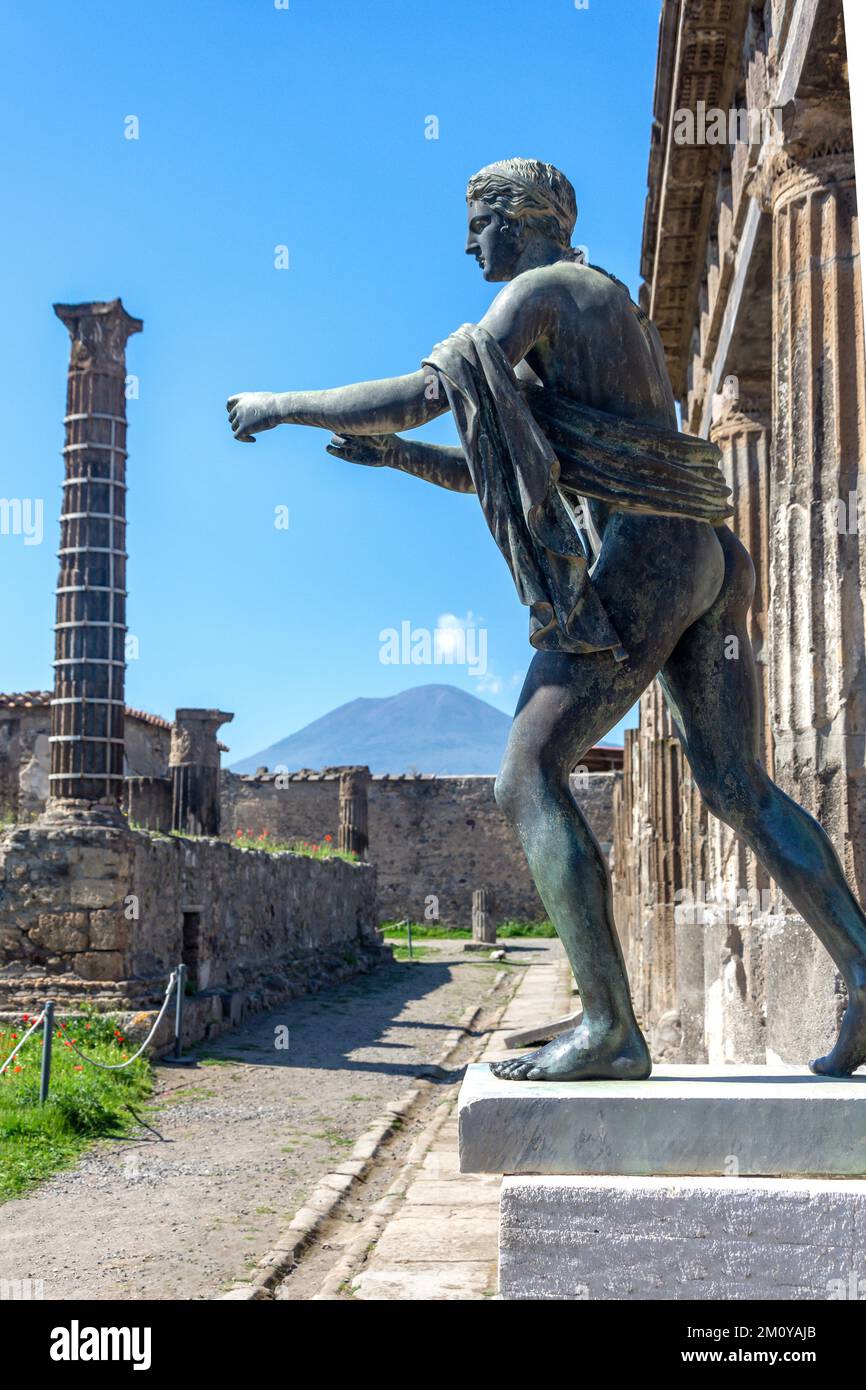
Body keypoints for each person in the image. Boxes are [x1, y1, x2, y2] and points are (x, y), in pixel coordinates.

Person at [228, 158, 866, 1080]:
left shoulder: (542, 290)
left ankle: (609, 1026)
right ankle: (861, 968)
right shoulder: (604, 305)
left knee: (526, 774)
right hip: (707, 554)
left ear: (519, 219)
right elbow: (505, 460)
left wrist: (279, 406)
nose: (467, 241)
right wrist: (401, 463)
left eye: (477, 219)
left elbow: (422, 393)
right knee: (735, 786)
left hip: (647, 553)